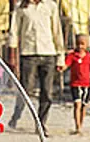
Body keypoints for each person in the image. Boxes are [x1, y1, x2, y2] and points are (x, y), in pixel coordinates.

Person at [6, 0, 63, 135]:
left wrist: (60, 58)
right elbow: (14, 32)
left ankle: (41, 123)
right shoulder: (21, 7)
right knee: (26, 89)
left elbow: (57, 32)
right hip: (28, 54)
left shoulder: (50, 6)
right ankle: (16, 116)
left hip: (48, 53)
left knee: (47, 92)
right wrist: (12, 56)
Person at [58, 34, 90, 134]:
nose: (80, 46)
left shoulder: (89, 58)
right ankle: (77, 126)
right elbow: (66, 65)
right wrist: (62, 68)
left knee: (83, 106)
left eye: (82, 44)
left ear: (86, 45)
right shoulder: (72, 56)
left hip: (86, 85)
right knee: (77, 104)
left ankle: (80, 125)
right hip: (75, 84)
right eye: (78, 44)